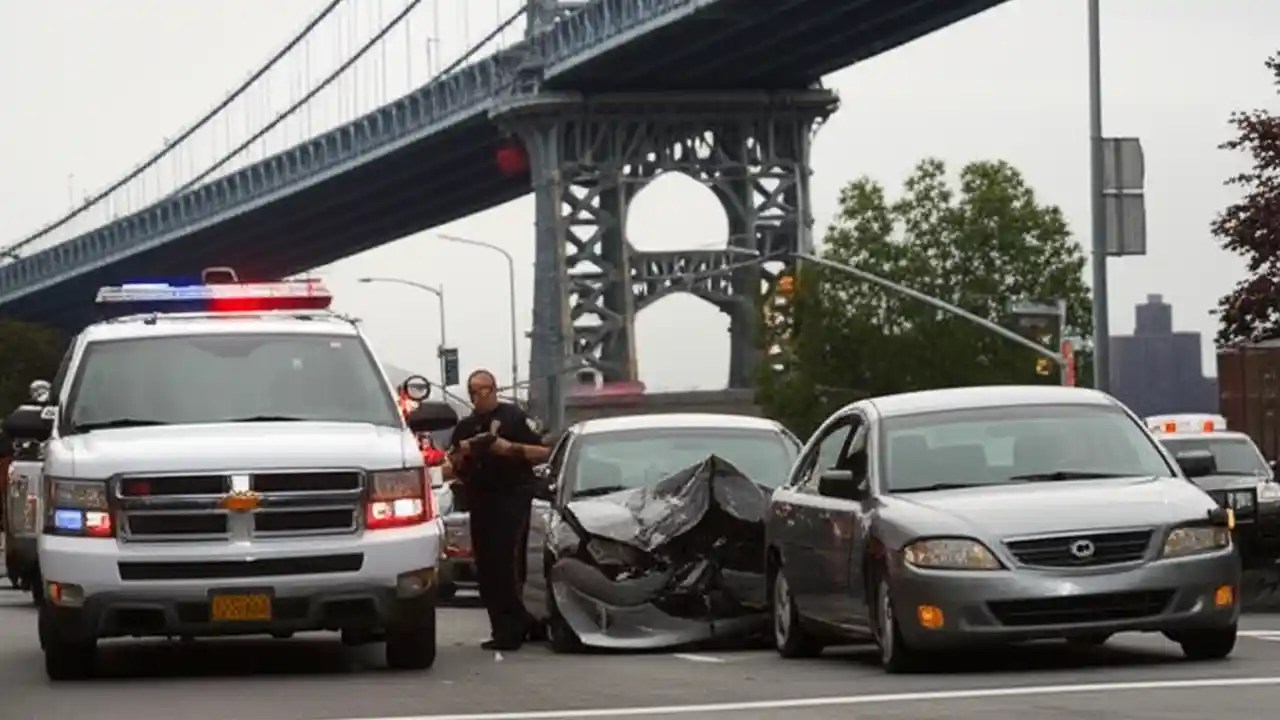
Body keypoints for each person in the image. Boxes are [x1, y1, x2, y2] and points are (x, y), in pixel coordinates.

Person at [444, 369, 550, 650]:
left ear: (495, 389)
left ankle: (517, 624)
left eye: (485, 389)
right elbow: (448, 465)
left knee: (509, 564)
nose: (480, 396)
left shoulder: (514, 417)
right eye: (474, 391)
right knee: (488, 567)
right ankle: (502, 627)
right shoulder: (465, 427)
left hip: (513, 497)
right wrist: (464, 455)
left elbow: (545, 450)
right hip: (480, 501)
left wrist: (508, 449)